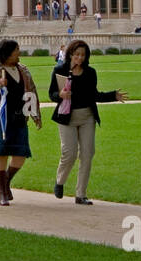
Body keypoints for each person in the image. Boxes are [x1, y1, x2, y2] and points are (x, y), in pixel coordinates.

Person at [49, 40, 128, 204]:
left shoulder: (90, 72)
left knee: (87, 154)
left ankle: (81, 194)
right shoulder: (60, 71)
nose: (80, 57)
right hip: (66, 117)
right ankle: (60, 181)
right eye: (77, 54)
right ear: (71, 54)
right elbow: (52, 94)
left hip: (87, 117)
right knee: (69, 154)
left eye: (83, 55)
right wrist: (60, 95)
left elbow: (95, 95)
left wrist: (113, 96)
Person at [0, 39, 42, 206]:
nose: (19, 53)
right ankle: (2, 192)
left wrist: (35, 115)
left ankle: (5, 183)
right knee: (1, 152)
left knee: (20, 154)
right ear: (8, 53)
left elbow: (31, 92)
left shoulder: (23, 70)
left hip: (19, 118)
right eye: (16, 50)